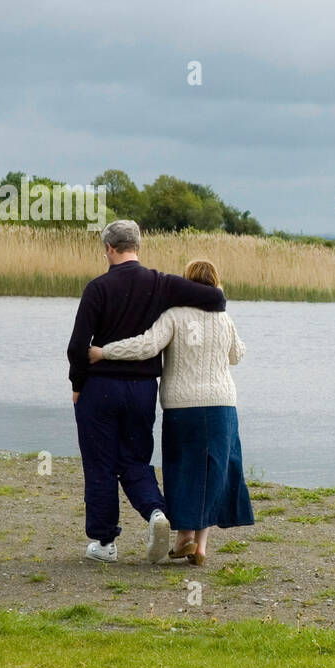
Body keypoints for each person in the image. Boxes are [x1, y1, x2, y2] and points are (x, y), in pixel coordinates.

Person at [66, 220, 227, 564]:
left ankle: (105, 543)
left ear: (109, 248)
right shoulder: (161, 283)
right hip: (142, 390)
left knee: (100, 464)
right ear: (138, 246)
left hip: (100, 388)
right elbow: (215, 297)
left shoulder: (97, 288)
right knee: (135, 460)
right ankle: (156, 513)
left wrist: (77, 385)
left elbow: (77, 347)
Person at [89, 258, 252, 565]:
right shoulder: (224, 318)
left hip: (183, 407)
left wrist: (103, 351)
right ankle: (198, 545)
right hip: (222, 404)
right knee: (212, 471)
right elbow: (237, 355)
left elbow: (145, 347)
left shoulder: (174, 315)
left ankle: (183, 538)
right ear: (216, 283)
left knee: (183, 470)